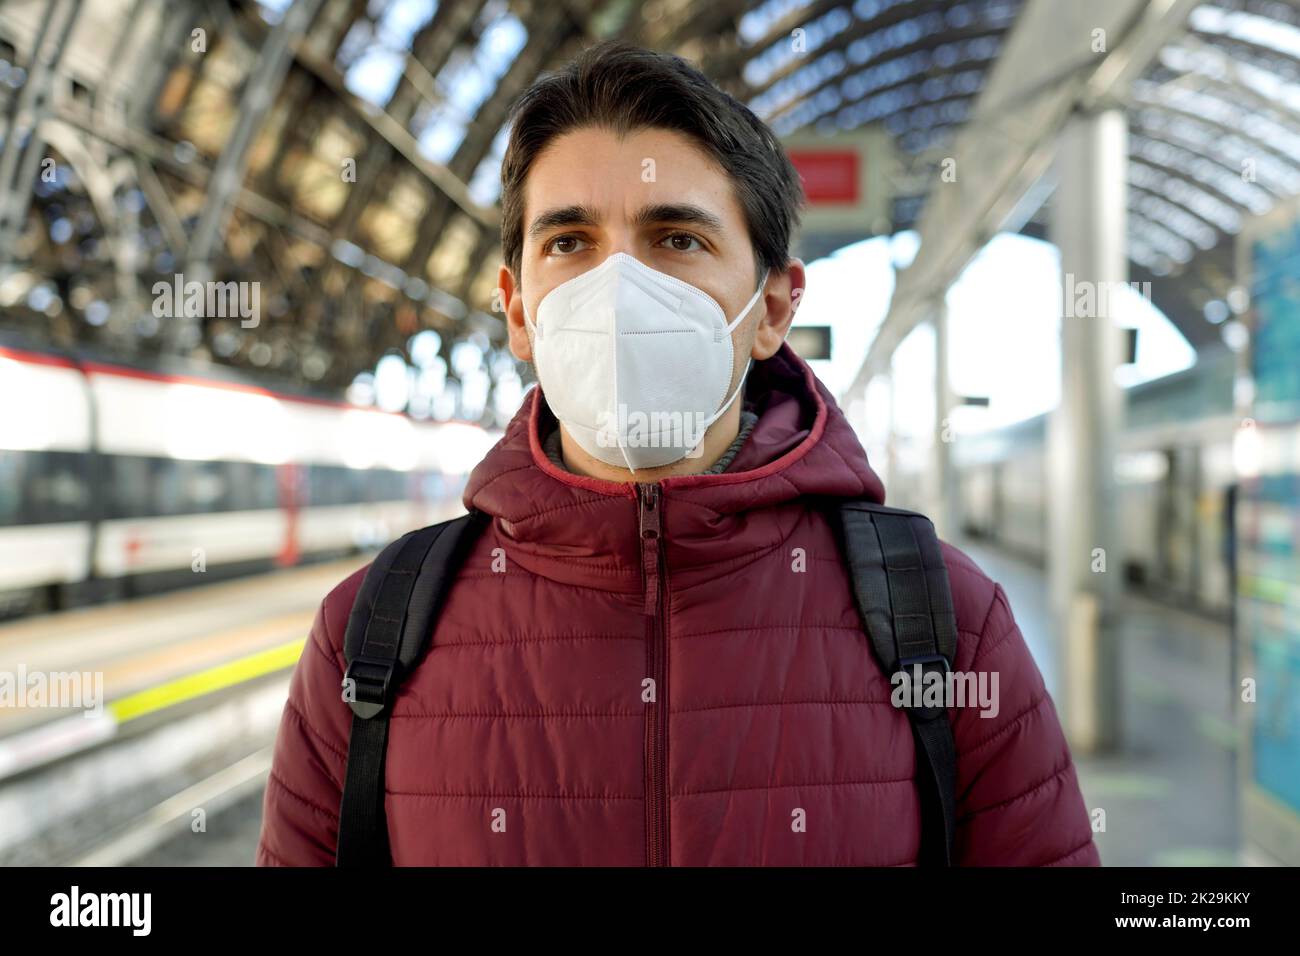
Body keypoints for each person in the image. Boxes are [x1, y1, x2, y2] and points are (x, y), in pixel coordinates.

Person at [256, 40, 1100, 867]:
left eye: (676, 239)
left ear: (773, 306)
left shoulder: (946, 624)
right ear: (517, 310)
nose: (618, 286)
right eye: (568, 242)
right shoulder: (367, 637)